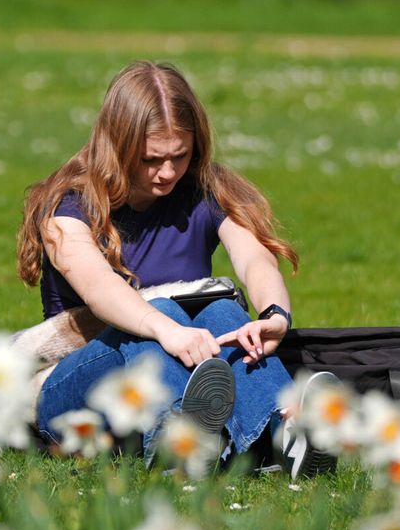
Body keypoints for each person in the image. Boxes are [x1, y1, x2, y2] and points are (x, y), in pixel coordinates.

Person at [16, 60, 300, 461]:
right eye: (150, 160)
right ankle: (176, 437)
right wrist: (166, 328)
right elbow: (101, 290)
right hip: (73, 390)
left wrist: (274, 315)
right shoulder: (69, 208)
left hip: (176, 369)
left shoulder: (203, 191)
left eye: (180, 156)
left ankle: (285, 433)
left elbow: (254, 257)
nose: (167, 172)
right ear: (117, 147)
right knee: (157, 311)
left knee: (222, 313)